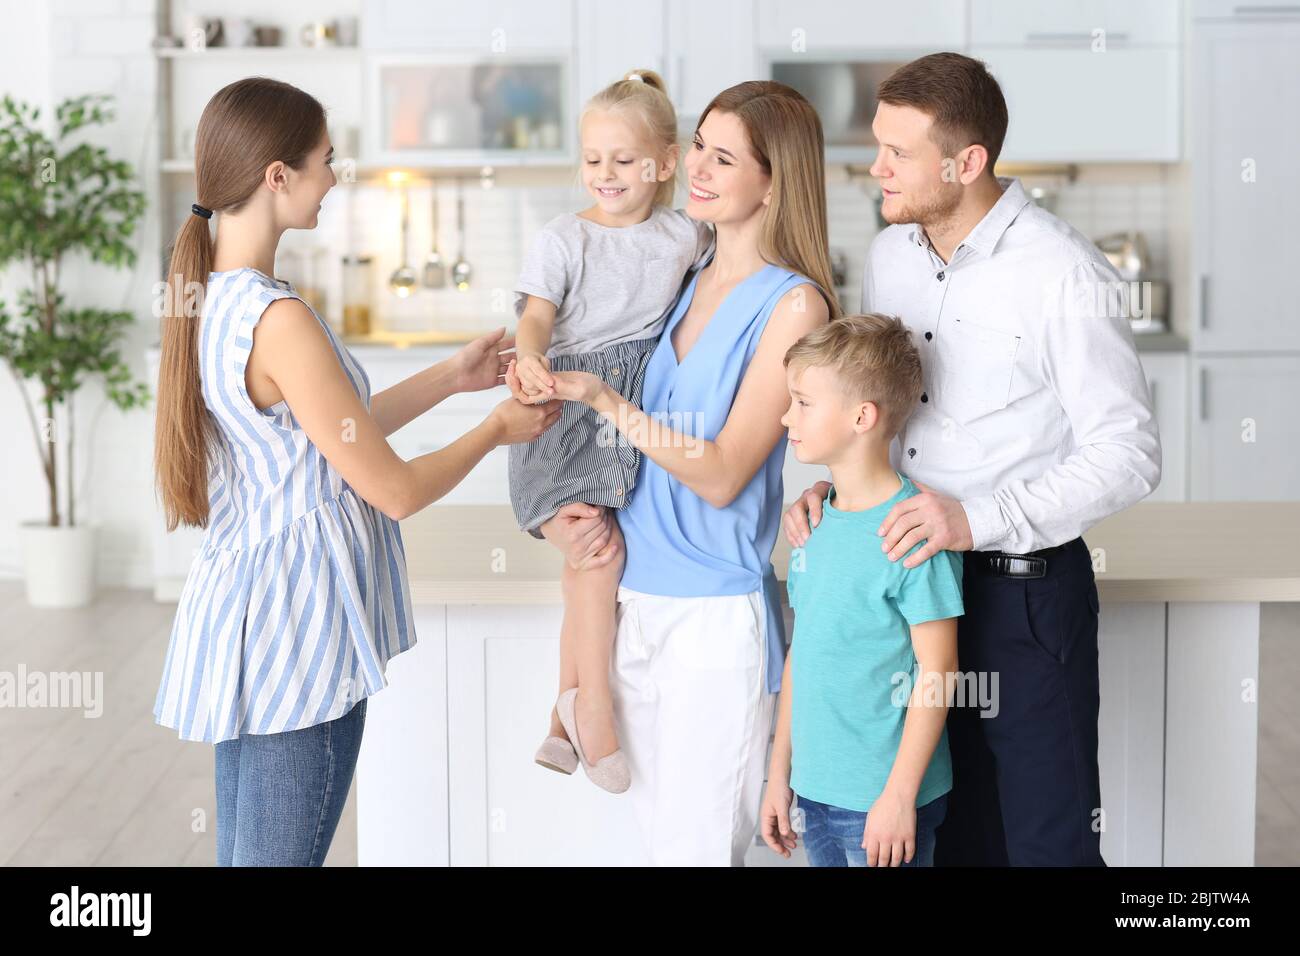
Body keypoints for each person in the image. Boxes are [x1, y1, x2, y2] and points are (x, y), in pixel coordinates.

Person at [152, 77, 557, 865]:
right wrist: (497, 429)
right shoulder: (280, 317)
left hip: (249, 622)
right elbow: (393, 489)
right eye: (325, 162)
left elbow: (328, 439)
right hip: (301, 631)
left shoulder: (214, 300)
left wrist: (450, 377)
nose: (333, 179)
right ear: (278, 177)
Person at [783, 53, 1161, 866]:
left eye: (897, 153)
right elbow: (872, 405)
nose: (874, 167)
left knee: (1044, 846)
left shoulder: (1064, 273)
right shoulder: (892, 257)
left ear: (966, 163)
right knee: (942, 836)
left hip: (1019, 604)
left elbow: (1129, 452)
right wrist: (836, 486)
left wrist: (973, 519)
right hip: (908, 607)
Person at [525, 80, 839, 865]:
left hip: (713, 625)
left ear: (774, 181)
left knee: (695, 853)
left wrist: (603, 400)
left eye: (722, 157)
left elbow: (726, 471)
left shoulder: (794, 306)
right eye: (697, 145)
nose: (695, 166)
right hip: (635, 607)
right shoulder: (680, 275)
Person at [506, 69, 714, 793]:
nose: (605, 174)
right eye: (593, 160)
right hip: (566, 408)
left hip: (627, 409)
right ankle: (592, 707)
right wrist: (530, 354)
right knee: (599, 553)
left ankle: (562, 718)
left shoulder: (686, 234)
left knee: (588, 562)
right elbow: (534, 316)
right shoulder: (564, 238)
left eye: (624, 160)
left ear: (665, 163)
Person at [761, 315, 963, 867]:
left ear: (861, 417)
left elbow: (938, 673)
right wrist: (779, 774)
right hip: (814, 792)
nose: (786, 417)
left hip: (884, 804)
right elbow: (803, 654)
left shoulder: (914, 532)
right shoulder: (812, 522)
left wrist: (898, 797)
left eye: (803, 403)